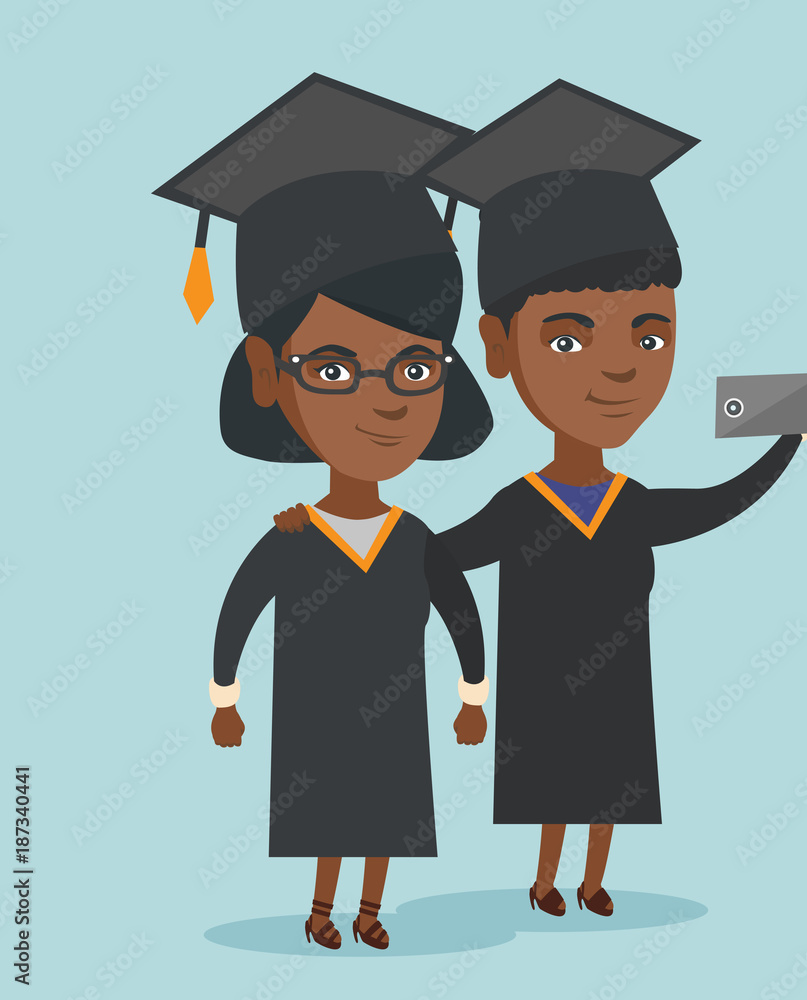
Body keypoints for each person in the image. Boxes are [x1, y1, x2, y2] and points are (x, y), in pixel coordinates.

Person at [274, 80, 807, 919]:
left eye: (650, 334)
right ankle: (545, 879)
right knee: (553, 786)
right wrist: (329, 530)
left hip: (619, 688)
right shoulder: (520, 506)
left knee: (611, 786)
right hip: (542, 694)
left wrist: (788, 435)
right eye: (568, 338)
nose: (618, 367)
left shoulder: (635, 504)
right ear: (499, 349)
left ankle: (592, 879)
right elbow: (433, 554)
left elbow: (719, 501)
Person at [154, 75, 493, 951]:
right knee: (329, 810)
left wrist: (472, 692)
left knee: (388, 813)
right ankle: (319, 908)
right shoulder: (291, 539)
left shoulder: (415, 538)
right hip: (316, 714)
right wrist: (224, 696)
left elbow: (459, 610)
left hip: (399, 713)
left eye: (414, 369)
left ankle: (370, 913)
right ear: (269, 377)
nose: (385, 402)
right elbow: (238, 610)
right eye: (335, 370)